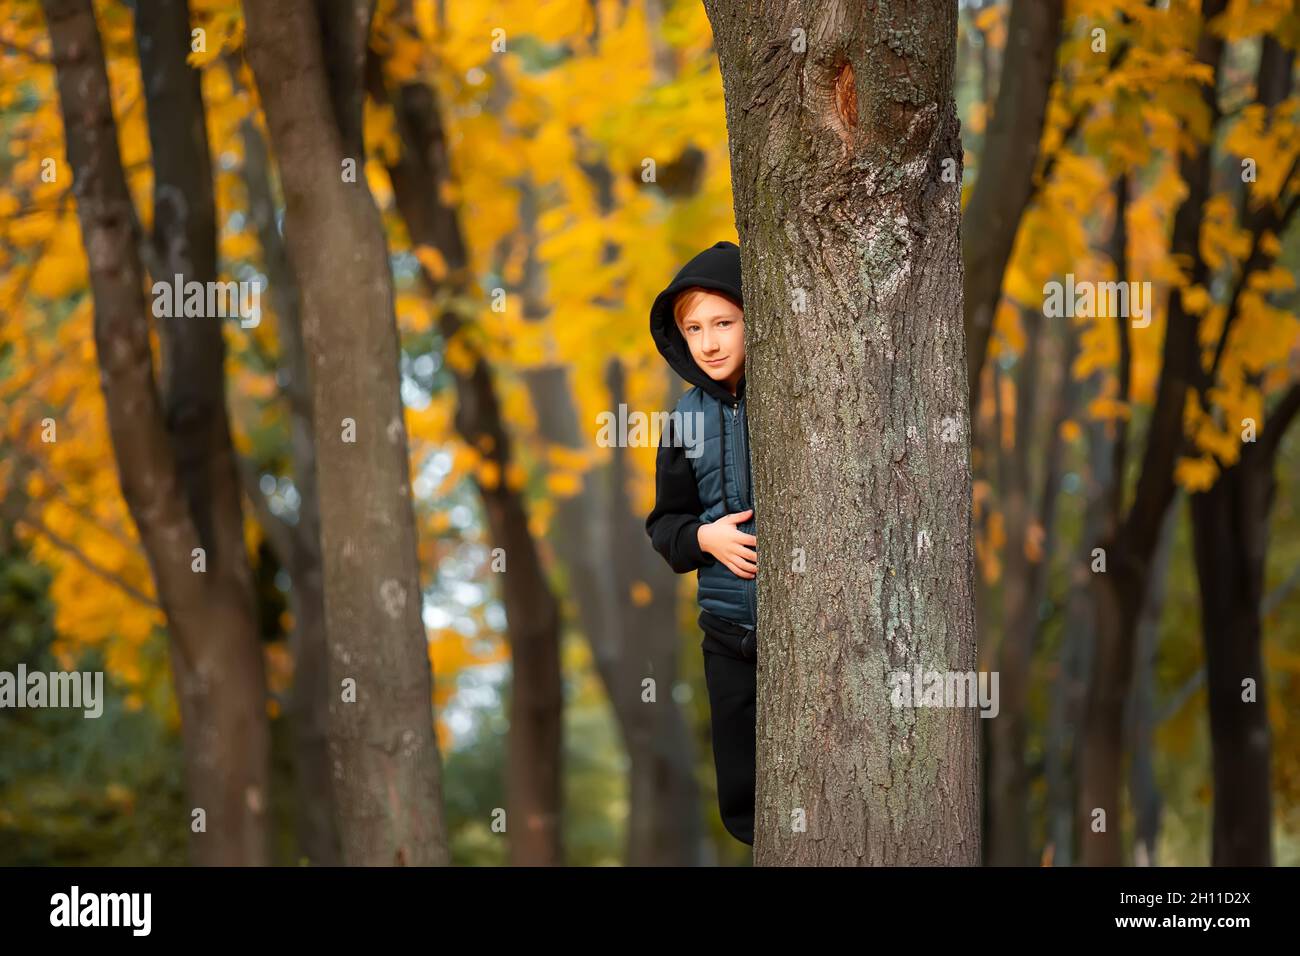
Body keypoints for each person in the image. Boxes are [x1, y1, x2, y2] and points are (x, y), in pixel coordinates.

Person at [645, 240, 757, 846]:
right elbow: (664, 527)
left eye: (723, 323)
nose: (709, 343)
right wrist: (705, 538)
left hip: (814, 629)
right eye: (694, 328)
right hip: (726, 634)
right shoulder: (683, 420)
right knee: (745, 795)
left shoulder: (793, 399)